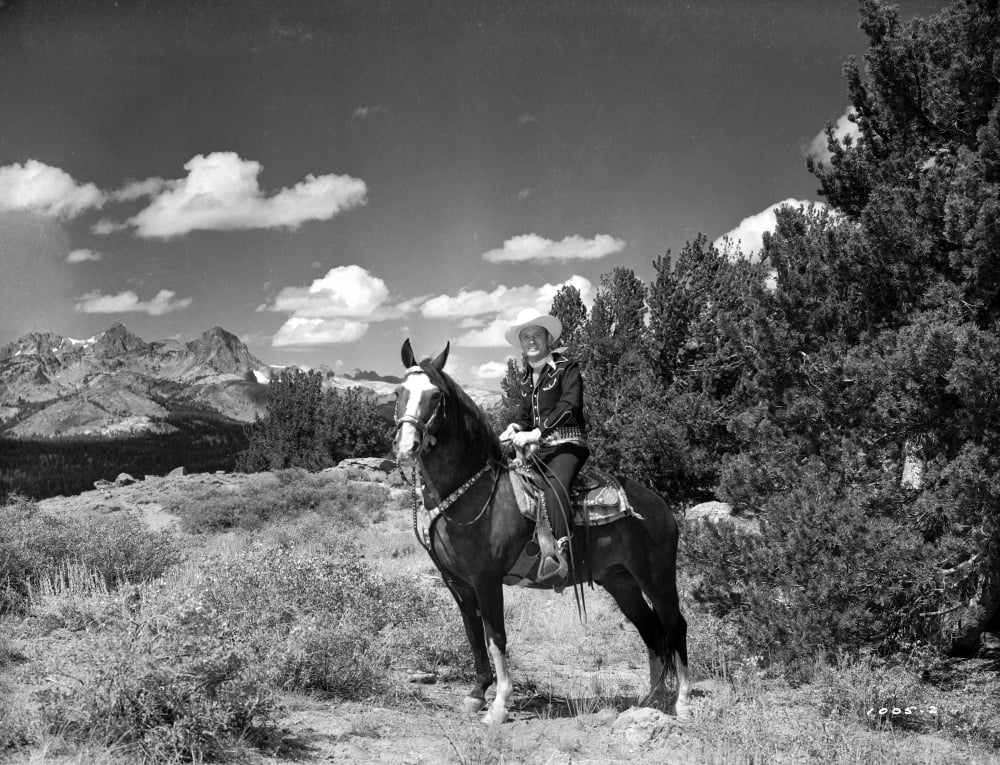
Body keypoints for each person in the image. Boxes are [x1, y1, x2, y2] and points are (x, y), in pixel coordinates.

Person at [499, 307, 589, 581]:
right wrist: (515, 427)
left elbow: (569, 406)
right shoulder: (527, 378)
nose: (531, 341)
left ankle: (563, 554)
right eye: (525, 337)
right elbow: (525, 415)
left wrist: (537, 433)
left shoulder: (567, 368)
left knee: (554, 487)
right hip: (539, 452)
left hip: (567, 445)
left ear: (548, 339)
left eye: (536, 335)